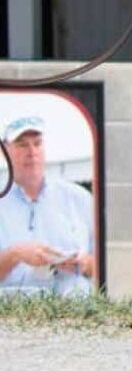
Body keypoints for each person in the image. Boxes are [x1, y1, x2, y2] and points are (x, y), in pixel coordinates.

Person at [0, 115, 95, 296]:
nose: (32, 152)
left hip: (73, 309)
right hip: (9, 312)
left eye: (37, 143)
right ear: (5, 150)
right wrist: (15, 254)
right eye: (22, 144)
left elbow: (110, 266)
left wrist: (84, 263)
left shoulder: (79, 198)